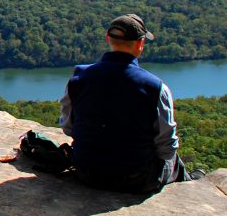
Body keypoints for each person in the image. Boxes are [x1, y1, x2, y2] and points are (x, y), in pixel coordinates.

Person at [59, 14, 197, 193]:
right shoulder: (155, 87)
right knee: (173, 159)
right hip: (136, 179)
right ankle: (191, 185)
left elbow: (68, 127)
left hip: (86, 172)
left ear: (108, 39)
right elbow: (167, 145)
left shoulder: (78, 79)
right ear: (141, 44)